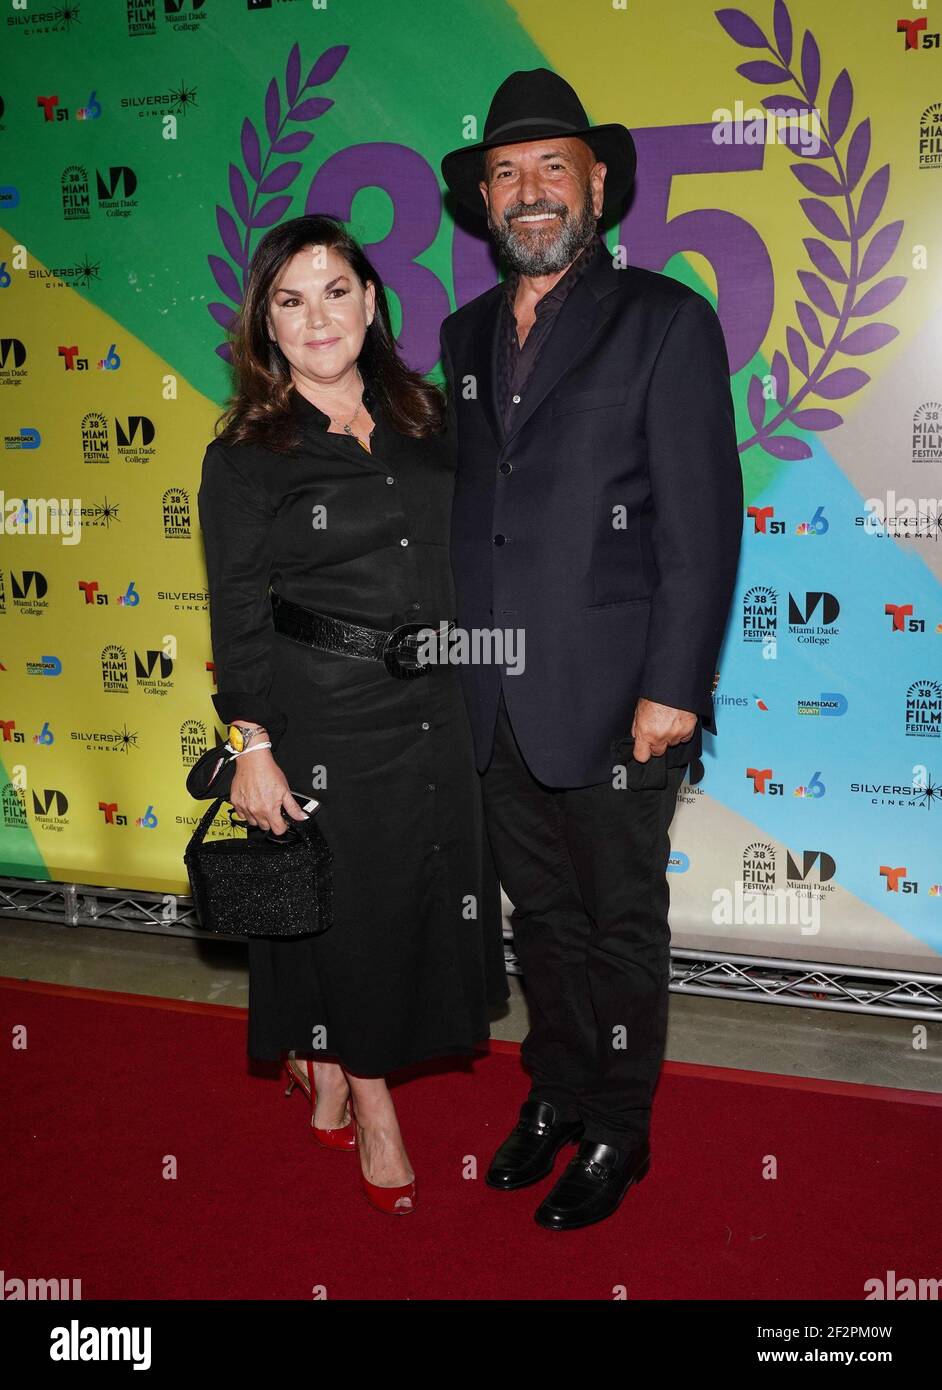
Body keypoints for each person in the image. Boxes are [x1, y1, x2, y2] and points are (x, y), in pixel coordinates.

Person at [439, 69, 743, 1230]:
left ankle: (620, 1124)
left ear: (598, 185)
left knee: (619, 923)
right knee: (543, 922)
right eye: (505, 173)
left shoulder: (666, 318)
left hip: (622, 698)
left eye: (551, 168)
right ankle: (555, 1091)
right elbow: (480, 510)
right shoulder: (463, 334)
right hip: (496, 694)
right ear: (482, 198)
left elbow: (701, 522)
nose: (528, 192)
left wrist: (674, 687)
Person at [197, 214, 508, 1216]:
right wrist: (253, 746)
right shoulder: (247, 457)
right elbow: (238, 611)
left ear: (372, 305)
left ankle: (326, 1062)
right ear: (267, 327)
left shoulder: (430, 422)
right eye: (290, 299)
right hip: (325, 713)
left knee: (429, 897)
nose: (316, 315)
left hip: (440, 708)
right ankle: (373, 1103)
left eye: (335, 290)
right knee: (355, 917)